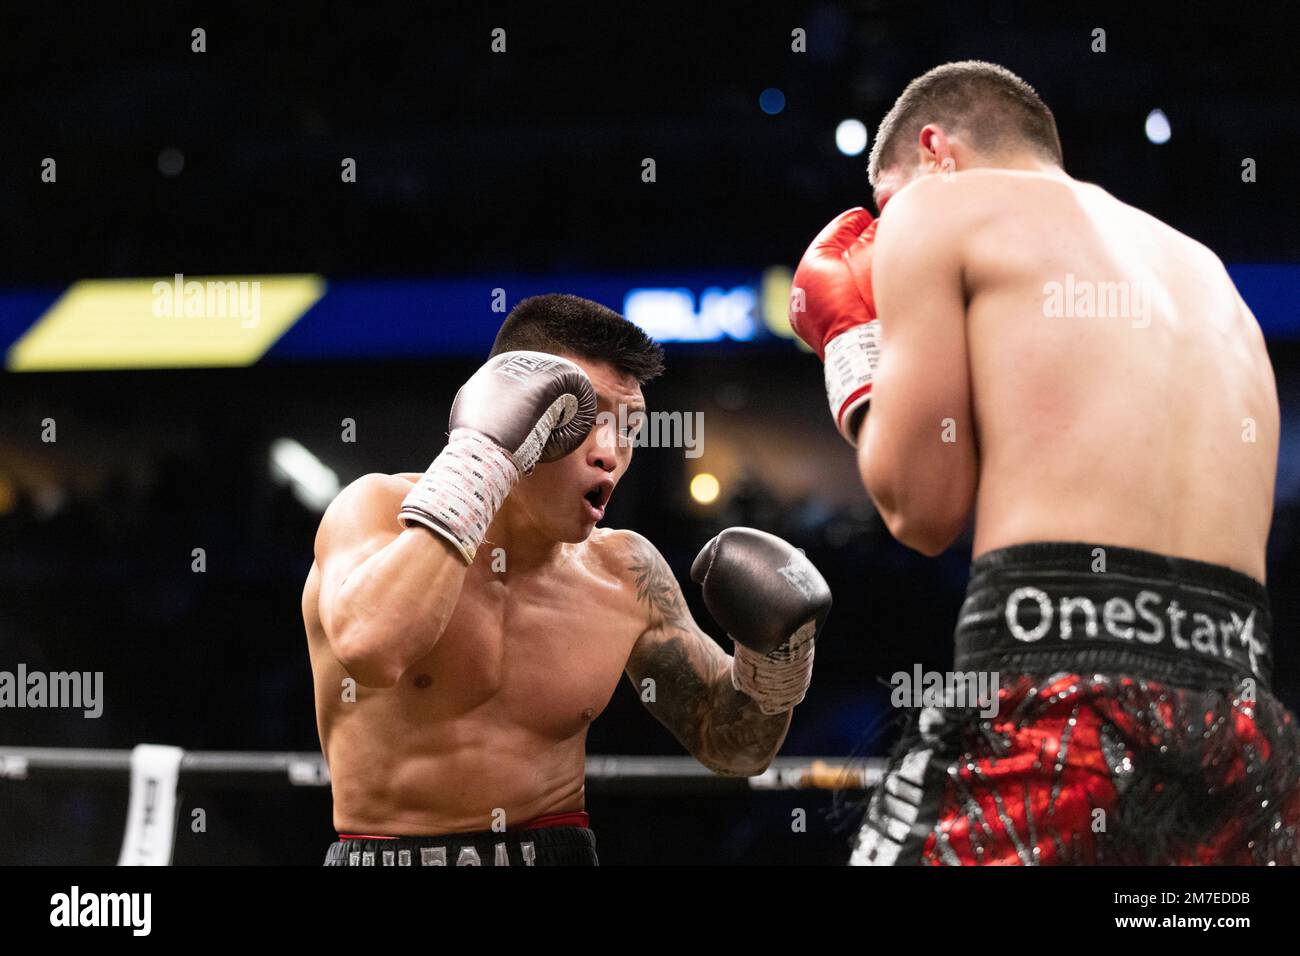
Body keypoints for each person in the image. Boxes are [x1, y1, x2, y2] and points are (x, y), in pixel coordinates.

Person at [790, 61, 1299, 865]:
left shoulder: (937, 207)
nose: (887, 245)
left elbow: (921, 509)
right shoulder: (1208, 274)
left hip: (1060, 697)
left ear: (934, 153)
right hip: (1242, 727)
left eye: (885, 209)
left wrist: (852, 351)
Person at [303, 293, 831, 865]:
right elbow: (373, 650)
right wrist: (481, 458)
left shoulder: (627, 571)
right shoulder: (378, 510)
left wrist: (775, 662)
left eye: (628, 427)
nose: (611, 453)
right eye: (586, 417)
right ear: (516, 405)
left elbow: (729, 745)